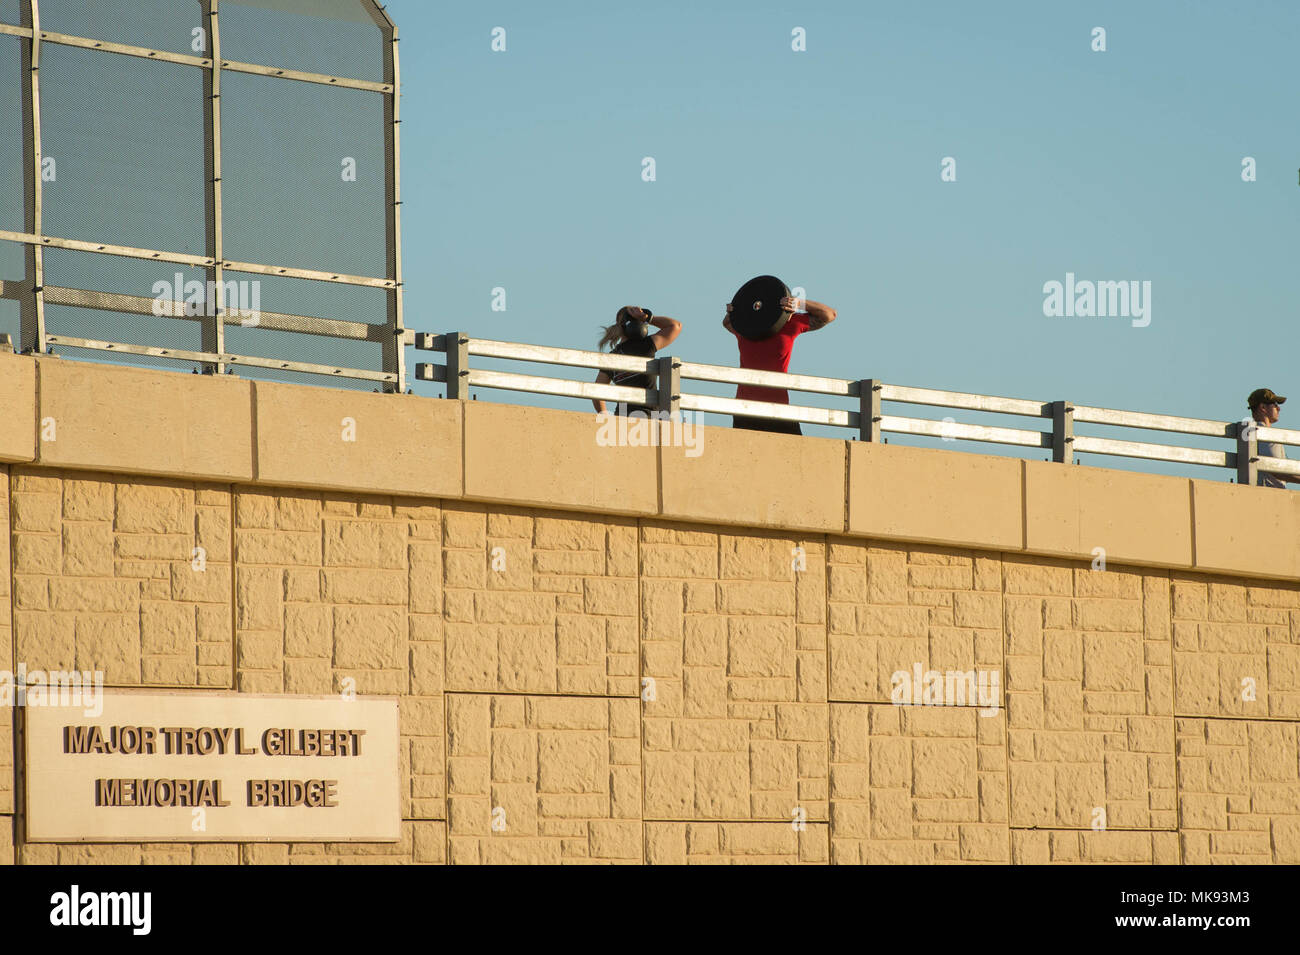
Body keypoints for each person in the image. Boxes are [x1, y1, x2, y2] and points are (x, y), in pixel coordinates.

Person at [723, 294, 837, 435]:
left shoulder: (749, 326)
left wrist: (734, 312)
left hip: (768, 408)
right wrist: (799, 304)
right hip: (752, 408)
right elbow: (829, 314)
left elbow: (727, 323)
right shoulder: (785, 323)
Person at [592, 307, 682, 416]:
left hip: (622, 418)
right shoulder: (645, 345)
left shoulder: (613, 356)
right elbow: (675, 326)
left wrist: (605, 416)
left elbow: (597, 391)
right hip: (649, 416)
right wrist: (648, 318)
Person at [1245, 388, 1299, 488]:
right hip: (1270, 493)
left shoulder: (1251, 432)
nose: (1278, 408)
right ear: (1263, 407)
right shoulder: (1267, 435)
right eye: (1275, 404)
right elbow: (1276, 469)